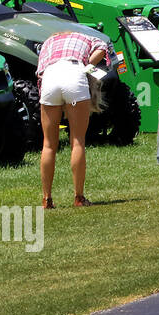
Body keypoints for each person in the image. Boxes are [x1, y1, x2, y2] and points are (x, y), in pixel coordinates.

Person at [35, 30, 109, 209]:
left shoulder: (47, 42)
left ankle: (47, 199)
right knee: (77, 141)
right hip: (74, 74)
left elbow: (39, 73)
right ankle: (78, 197)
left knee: (48, 144)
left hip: (50, 77)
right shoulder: (86, 37)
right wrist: (87, 65)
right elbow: (103, 47)